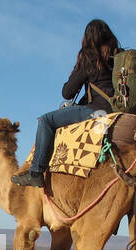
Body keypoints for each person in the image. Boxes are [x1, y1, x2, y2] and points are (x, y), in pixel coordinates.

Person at [12, 19, 120, 186]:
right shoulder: (118, 57)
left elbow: (67, 92)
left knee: (46, 120)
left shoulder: (90, 57)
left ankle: (36, 172)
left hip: (98, 111)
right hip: (119, 109)